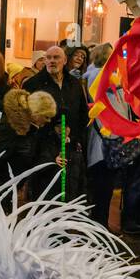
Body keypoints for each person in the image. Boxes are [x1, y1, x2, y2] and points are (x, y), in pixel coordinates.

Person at [24, 45, 88, 203]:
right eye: (49, 57)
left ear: (65, 60)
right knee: (44, 195)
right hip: (43, 149)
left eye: (56, 57)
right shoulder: (33, 84)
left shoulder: (74, 84)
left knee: (68, 194)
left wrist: (75, 137)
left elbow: (82, 114)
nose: (52, 61)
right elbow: (27, 120)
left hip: (70, 147)